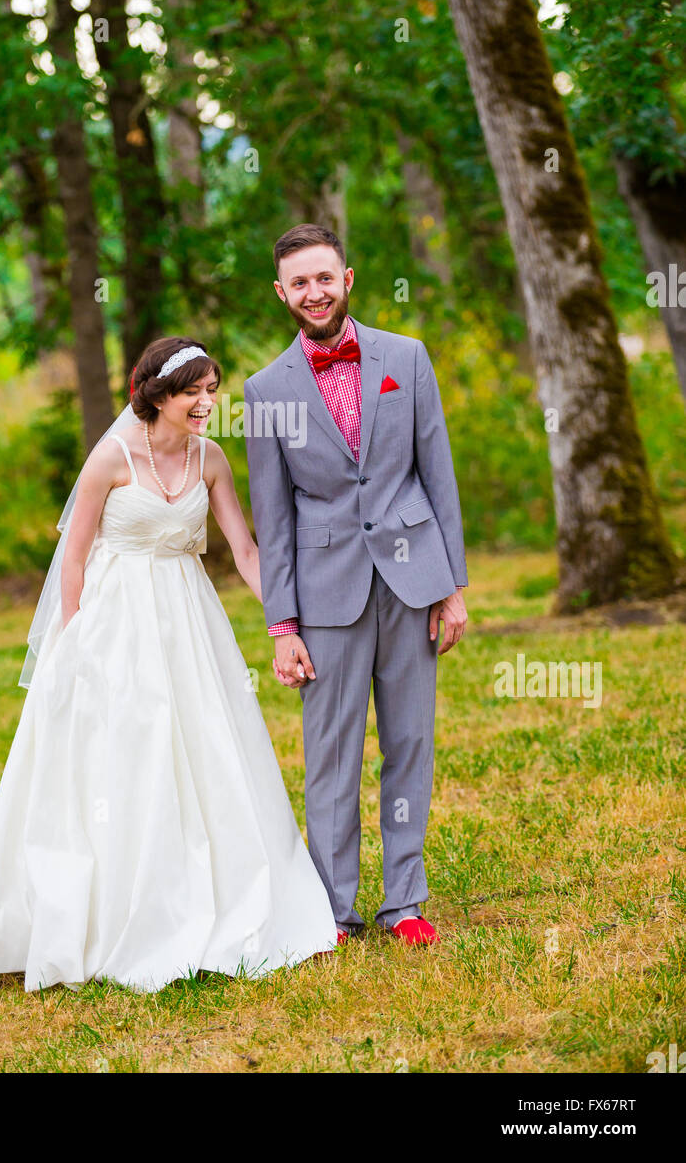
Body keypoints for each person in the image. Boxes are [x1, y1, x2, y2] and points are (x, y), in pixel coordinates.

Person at [0, 336, 336, 994]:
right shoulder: (110, 457)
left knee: (205, 747)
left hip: (188, 618)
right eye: (193, 391)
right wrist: (73, 645)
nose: (206, 403)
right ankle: (108, 918)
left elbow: (245, 551)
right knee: (122, 754)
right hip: (116, 619)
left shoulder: (210, 459)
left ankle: (215, 897)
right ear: (157, 394)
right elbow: (72, 559)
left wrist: (286, 624)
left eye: (212, 390)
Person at [244, 225, 468, 948]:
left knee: (410, 743)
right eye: (299, 283)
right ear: (283, 294)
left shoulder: (407, 358)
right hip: (325, 591)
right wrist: (284, 626)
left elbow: (437, 475)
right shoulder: (263, 391)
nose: (314, 292)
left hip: (411, 582)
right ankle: (332, 911)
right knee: (331, 756)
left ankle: (404, 902)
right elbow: (272, 522)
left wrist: (451, 586)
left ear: (348, 279)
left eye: (324, 278)